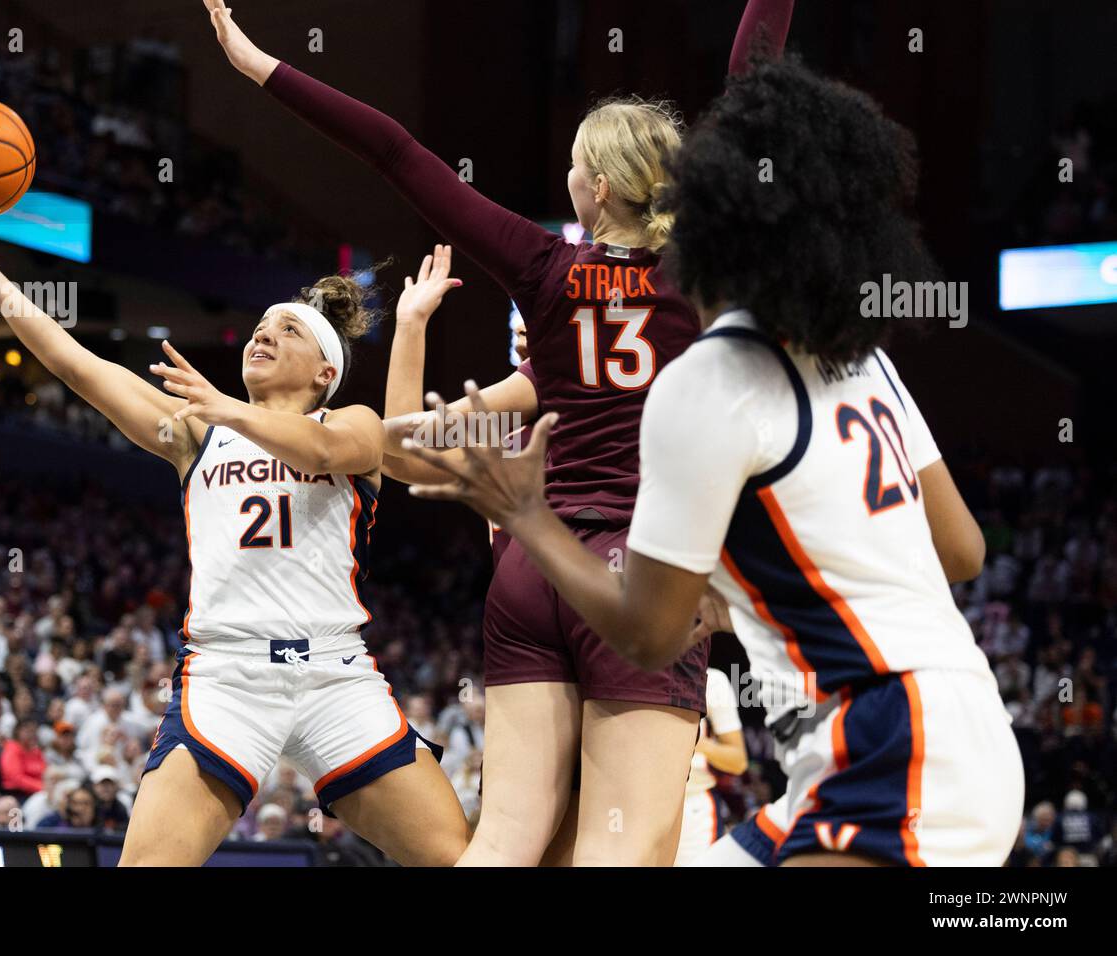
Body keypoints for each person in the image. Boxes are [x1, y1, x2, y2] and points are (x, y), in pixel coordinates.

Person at [202, 0, 796, 866]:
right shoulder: (699, 266)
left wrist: (262, 68)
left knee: (506, 841)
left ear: (594, 186)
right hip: (642, 573)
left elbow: (395, 152)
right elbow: (752, 80)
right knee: (618, 851)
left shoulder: (542, 266)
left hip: (531, 567)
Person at [402, 57, 1025, 866]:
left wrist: (526, 514)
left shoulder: (711, 380)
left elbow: (647, 630)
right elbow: (964, 552)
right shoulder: (863, 358)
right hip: (945, 721)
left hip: (887, 747)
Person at [0, 185, 468, 867]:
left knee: (460, 860)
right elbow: (73, 363)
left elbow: (324, 453)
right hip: (226, 674)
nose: (263, 333)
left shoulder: (345, 423)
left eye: (286, 329)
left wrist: (229, 407)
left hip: (336, 675)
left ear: (327, 370)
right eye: (261, 325)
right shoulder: (199, 429)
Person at [674, 667, 747, 865]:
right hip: (638, 801)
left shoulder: (712, 680)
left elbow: (738, 761)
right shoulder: (628, 671)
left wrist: (694, 739)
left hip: (693, 805)